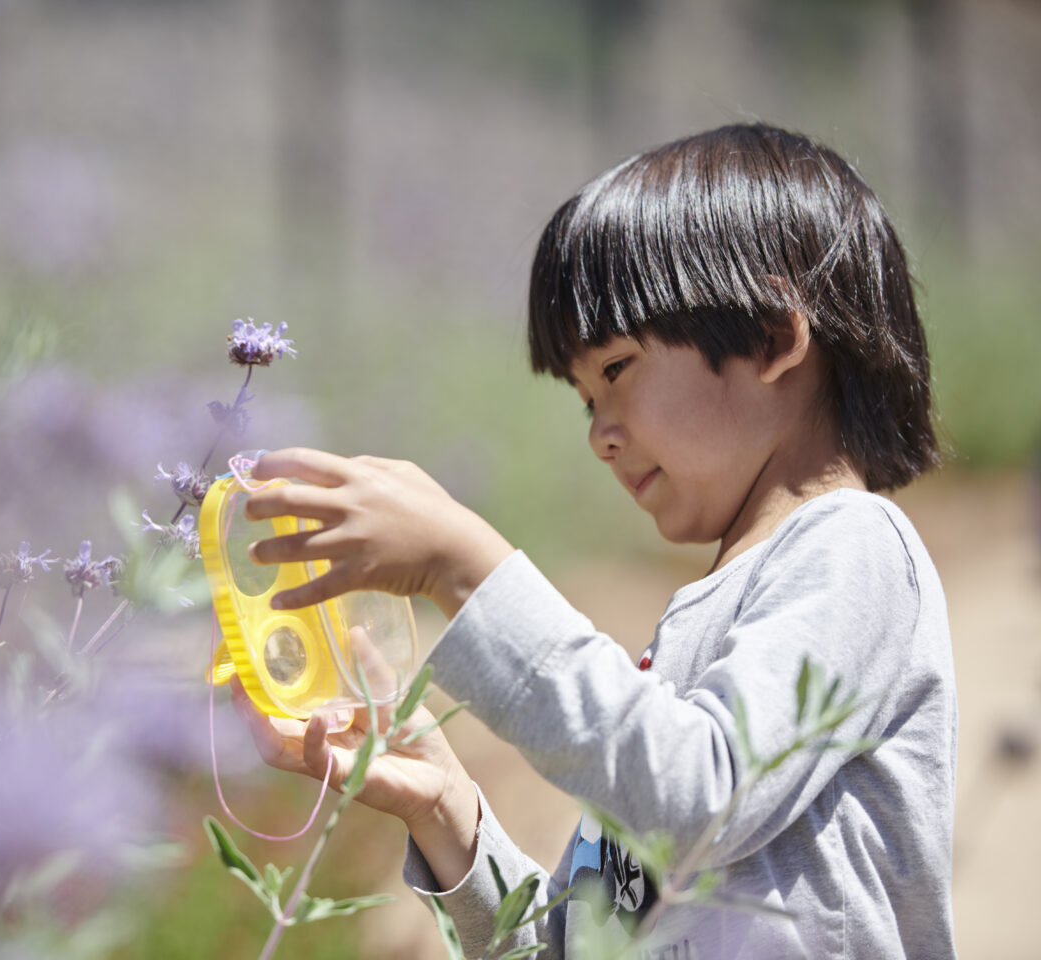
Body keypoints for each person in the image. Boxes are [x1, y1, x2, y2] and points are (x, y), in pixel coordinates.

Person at [231, 124, 957, 959]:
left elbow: (697, 801)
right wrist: (444, 809)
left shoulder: (851, 546)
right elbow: (590, 945)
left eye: (614, 371)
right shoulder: (705, 624)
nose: (599, 435)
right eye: (584, 401)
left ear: (771, 338)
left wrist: (463, 570)